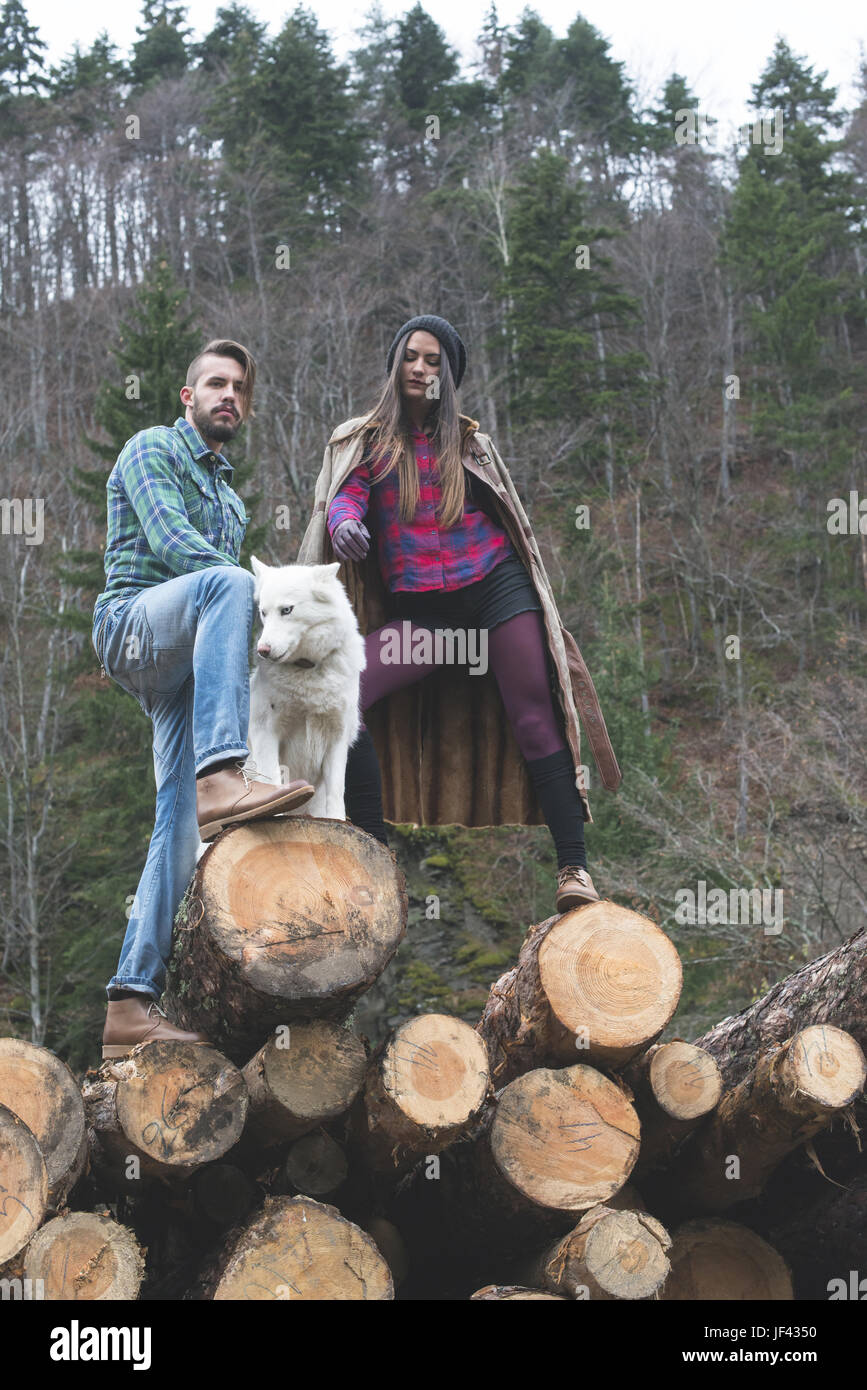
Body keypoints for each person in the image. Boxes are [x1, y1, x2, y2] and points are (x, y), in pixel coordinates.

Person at [296, 315, 621, 912]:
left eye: (435, 361)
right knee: (343, 689)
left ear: (449, 377)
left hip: (496, 589)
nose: (421, 369)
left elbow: (506, 518)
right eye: (412, 357)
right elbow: (348, 494)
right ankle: (375, 850)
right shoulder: (366, 442)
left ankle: (573, 869)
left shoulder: (469, 444)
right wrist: (343, 524)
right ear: (396, 364)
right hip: (429, 617)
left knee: (533, 712)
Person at [91, 339, 315, 1058]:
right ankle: (222, 774)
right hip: (132, 627)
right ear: (188, 397)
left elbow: (217, 614)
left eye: (240, 388)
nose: (229, 395)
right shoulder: (152, 448)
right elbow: (174, 546)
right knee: (229, 583)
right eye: (215, 383)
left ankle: (128, 1003)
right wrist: (257, 596)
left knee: (176, 827)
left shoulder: (229, 498)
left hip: (182, 666)